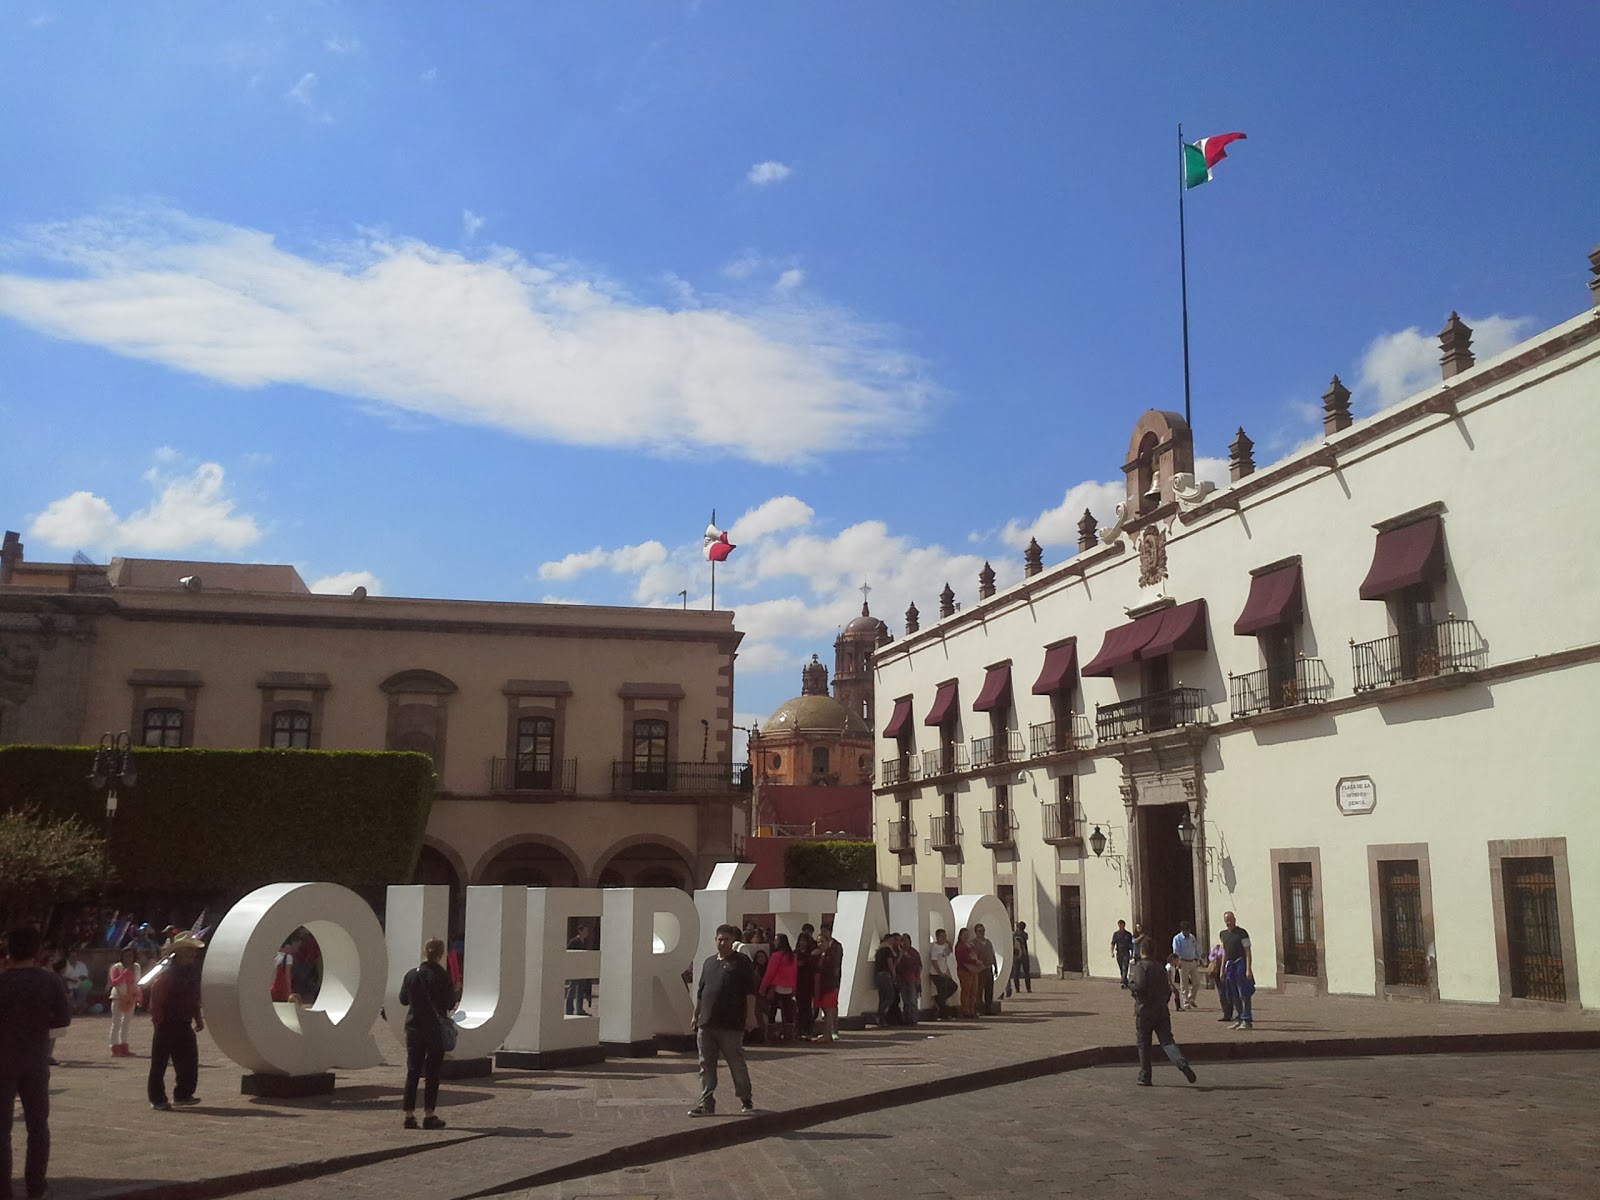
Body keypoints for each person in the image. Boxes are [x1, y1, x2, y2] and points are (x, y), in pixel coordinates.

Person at [1, 926, 72, 1200]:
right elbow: (62, 1019)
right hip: (35, 1058)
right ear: (38, 951)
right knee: (38, 1127)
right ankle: (35, 1186)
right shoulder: (50, 981)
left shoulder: (3, 982)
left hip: (3, 1059)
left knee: (2, 1131)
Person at [689, 924, 758, 1116]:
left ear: (732, 941)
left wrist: (751, 1016)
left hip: (731, 1024)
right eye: (719, 939)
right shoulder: (709, 963)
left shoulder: (741, 962)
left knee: (736, 1063)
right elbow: (702, 992)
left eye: (726, 939)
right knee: (706, 1065)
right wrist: (696, 1015)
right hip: (707, 1023)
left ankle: (745, 1098)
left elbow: (750, 991)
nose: (722, 943)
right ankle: (706, 1103)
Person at [399, 936, 455, 1130]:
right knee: (432, 1073)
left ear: (424, 951)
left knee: (413, 1071)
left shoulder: (412, 975)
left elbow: (403, 1000)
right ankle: (429, 1114)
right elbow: (450, 1004)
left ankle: (408, 1115)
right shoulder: (443, 976)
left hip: (414, 1028)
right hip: (435, 1030)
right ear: (440, 954)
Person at [147, 930, 206, 1110]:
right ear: (179, 953)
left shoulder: (190, 973)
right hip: (166, 1023)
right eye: (189, 951)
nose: (193, 955)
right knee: (160, 1062)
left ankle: (183, 1093)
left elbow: (194, 997)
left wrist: (197, 1017)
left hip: (183, 1021)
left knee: (188, 1060)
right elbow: (157, 998)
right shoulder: (167, 974)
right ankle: (157, 1098)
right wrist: (159, 1021)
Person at [1128, 936, 1196, 1087]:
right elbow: (1168, 990)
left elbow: (1140, 986)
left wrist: (1131, 985)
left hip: (1144, 1010)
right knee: (1167, 1040)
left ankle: (1145, 1075)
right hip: (1161, 1010)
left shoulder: (1141, 966)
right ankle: (1181, 1062)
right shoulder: (1160, 967)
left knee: (1144, 1043)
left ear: (1142, 950)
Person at [1220, 911, 1255, 1030]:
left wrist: (1248, 969)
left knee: (1243, 993)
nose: (1228, 923)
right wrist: (1222, 969)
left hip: (1240, 963)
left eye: (1230, 920)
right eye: (1226, 921)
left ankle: (1247, 1020)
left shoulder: (1242, 933)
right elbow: (1224, 952)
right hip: (1230, 966)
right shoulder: (1223, 934)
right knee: (1234, 994)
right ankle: (1239, 1018)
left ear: (1234, 919)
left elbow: (1248, 951)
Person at [760, 934, 798, 1042]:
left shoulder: (776, 956)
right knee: (787, 1012)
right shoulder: (792, 956)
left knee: (772, 1011)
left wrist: (763, 987)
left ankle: (771, 1035)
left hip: (776, 987)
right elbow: (795, 972)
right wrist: (794, 987)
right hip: (788, 988)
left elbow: (770, 973)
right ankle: (788, 1035)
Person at [108, 946, 142, 1057]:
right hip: (119, 996)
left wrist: (138, 996)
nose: (128, 958)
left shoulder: (136, 967)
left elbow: (138, 982)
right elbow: (114, 982)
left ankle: (124, 1044)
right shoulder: (116, 967)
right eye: (126, 955)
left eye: (130, 955)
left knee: (126, 1023)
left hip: (131, 997)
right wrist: (124, 975)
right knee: (116, 1022)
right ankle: (114, 1046)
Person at [813, 925, 843, 1042]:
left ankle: (829, 1033)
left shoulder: (832, 953)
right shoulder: (821, 954)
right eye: (818, 942)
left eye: (822, 941)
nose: (820, 944)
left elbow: (833, 969)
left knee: (829, 1010)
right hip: (821, 986)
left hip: (829, 986)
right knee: (826, 1010)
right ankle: (827, 1033)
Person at [927, 928, 958, 1019]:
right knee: (943, 992)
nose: (944, 938)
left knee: (953, 987)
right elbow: (934, 962)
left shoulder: (945, 945)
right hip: (936, 974)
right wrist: (940, 972)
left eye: (945, 936)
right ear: (937, 937)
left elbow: (950, 952)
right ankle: (944, 1014)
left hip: (944, 972)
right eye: (942, 936)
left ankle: (938, 999)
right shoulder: (935, 947)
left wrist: (948, 943)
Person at [793, 924, 817, 1040]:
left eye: (804, 940)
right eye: (801, 940)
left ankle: (808, 1030)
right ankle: (799, 1030)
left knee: (807, 1007)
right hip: (797, 983)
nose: (803, 943)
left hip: (807, 983)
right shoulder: (795, 953)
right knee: (799, 1007)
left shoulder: (811, 954)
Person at [1171, 920, 1202, 1009]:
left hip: (1192, 961)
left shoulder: (1192, 937)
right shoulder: (1177, 938)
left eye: (1189, 930)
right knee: (1184, 984)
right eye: (1186, 930)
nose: (1188, 932)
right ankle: (1185, 1002)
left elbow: (1195, 948)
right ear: (1182, 930)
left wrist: (1199, 958)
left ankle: (1191, 998)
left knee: (1196, 982)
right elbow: (1176, 951)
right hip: (1183, 962)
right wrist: (1178, 962)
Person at [894, 933, 922, 1026]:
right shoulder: (898, 953)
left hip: (912, 978)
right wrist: (901, 955)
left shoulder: (914, 952)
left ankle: (914, 1018)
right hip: (902, 979)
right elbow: (896, 965)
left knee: (912, 1000)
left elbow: (918, 966)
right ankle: (907, 1019)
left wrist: (918, 978)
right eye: (903, 941)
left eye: (906, 941)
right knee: (905, 1000)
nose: (905, 943)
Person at [564, 924, 593, 1016]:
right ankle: (569, 1010)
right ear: (580, 931)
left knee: (580, 990)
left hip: (582, 969)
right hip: (574, 969)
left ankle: (580, 1010)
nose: (587, 933)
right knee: (572, 989)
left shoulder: (585, 942)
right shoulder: (573, 942)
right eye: (585, 931)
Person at [871, 935, 898, 1026]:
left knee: (882, 998)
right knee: (890, 997)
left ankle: (881, 1020)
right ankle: (878, 1014)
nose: (893, 942)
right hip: (885, 975)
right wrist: (893, 973)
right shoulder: (887, 949)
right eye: (892, 939)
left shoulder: (879, 949)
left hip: (878, 975)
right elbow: (890, 962)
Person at [954, 928, 980, 1018]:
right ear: (960, 936)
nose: (966, 936)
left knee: (973, 990)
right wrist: (974, 962)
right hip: (964, 970)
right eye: (964, 935)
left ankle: (971, 1008)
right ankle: (965, 1010)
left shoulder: (970, 945)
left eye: (967, 935)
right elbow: (962, 959)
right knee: (966, 990)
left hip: (973, 970)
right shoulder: (960, 946)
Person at [972, 924, 998, 1015]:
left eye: (983, 930)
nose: (982, 933)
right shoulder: (973, 943)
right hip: (980, 970)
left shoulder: (988, 942)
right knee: (979, 990)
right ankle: (979, 1008)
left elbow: (992, 954)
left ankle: (988, 1008)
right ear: (976, 932)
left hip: (989, 968)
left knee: (989, 989)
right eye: (979, 931)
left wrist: (995, 966)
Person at [1209, 941, 1233, 1023]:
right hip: (1217, 970)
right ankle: (1226, 1013)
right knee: (1221, 993)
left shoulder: (1228, 948)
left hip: (1227, 970)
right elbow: (1210, 956)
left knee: (1228, 992)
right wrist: (1215, 959)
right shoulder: (1217, 947)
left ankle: (1229, 1013)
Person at [1006, 921, 1032, 996]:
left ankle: (1018, 988)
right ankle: (1028, 988)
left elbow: (1017, 936)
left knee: (1016, 972)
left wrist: (1017, 928)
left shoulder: (1017, 934)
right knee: (1025, 972)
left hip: (1018, 955)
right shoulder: (1024, 934)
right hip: (1023, 954)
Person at [1111, 920, 1135, 988]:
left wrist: (1132, 953)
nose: (1120, 926)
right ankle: (1125, 980)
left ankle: (1122, 982)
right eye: (1119, 924)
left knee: (1125, 967)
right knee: (1121, 968)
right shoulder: (1116, 934)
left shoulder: (1128, 934)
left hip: (1126, 952)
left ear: (1124, 925)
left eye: (1122, 924)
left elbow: (1131, 945)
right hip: (1119, 953)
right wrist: (1112, 952)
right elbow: (1113, 943)